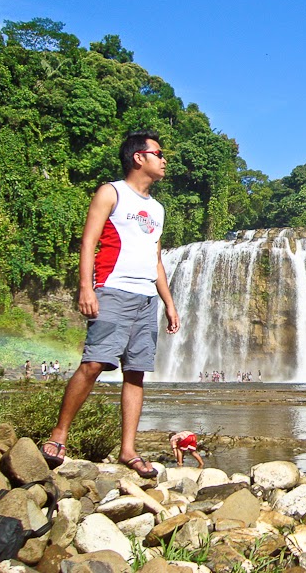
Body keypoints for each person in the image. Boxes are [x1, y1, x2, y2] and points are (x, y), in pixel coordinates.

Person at [40, 131, 180, 479]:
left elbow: (156, 259)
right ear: (138, 158)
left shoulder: (157, 208)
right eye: (158, 154)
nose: (164, 161)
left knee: (136, 373)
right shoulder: (111, 192)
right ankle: (59, 435)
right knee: (94, 363)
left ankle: (128, 449)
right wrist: (86, 288)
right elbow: (88, 242)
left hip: (147, 297)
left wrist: (170, 304)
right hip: (113, 289)